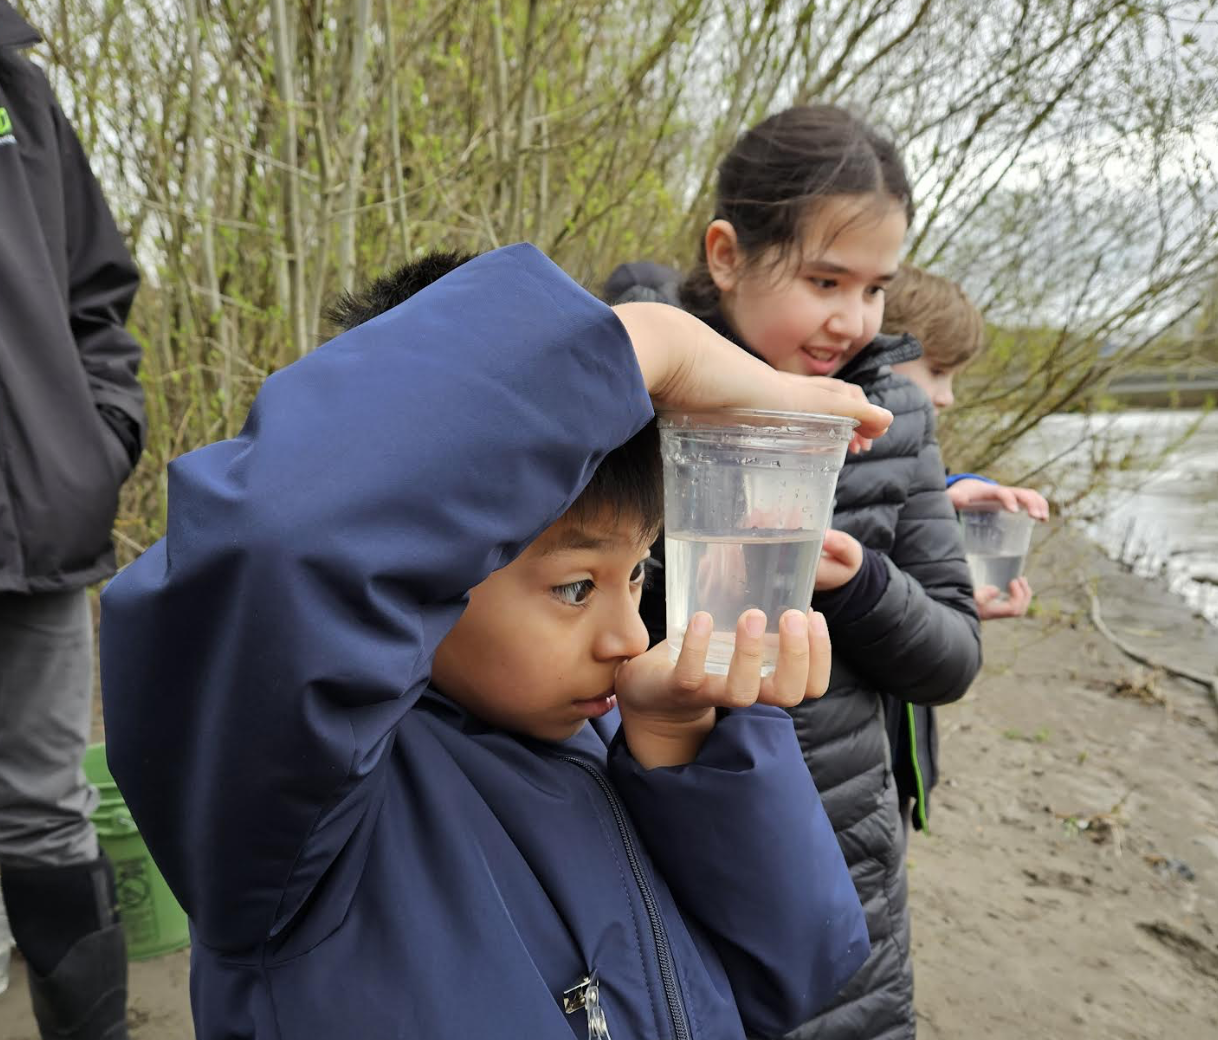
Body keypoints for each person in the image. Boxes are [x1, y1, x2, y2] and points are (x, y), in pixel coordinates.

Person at [100, 244, 894, 1039]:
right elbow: (280, 542)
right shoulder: (293, 805)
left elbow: (793, 973)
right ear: (434, 559)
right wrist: (650, 344)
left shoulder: (610, 738)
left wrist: (681, 748)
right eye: (575, 586)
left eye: (639, 572)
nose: (627, 635)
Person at [605, 104, 983, 1040]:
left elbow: (953, 656)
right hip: (655, 830)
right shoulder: (625, 403)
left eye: (875, 288)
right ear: (727, 254)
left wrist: (857, 582)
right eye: (825, 279)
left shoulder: (892, 419)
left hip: (840, 851)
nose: (851, 318)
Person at [0, 4, 145, 1037]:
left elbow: (97, 292)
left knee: (50, 822)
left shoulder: (18, 90)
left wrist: (96, 445)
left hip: (37, 526)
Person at [881, 263, 1050, 832]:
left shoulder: (907, 459)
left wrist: (952, 493)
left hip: (892, 767)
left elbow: (897, 499)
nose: (948, 397)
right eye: (938, 372)